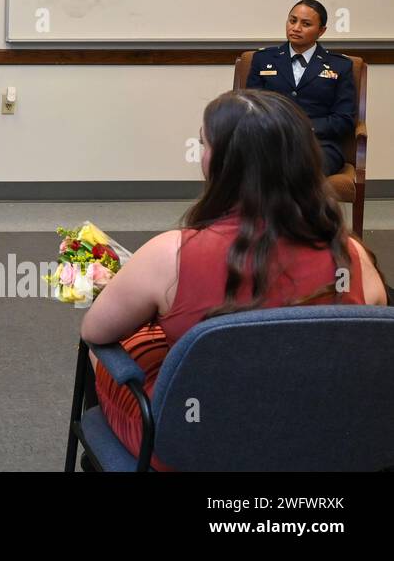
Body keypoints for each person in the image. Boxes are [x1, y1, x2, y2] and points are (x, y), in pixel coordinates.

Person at [81, 89, 386, 470]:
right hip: (322, 439)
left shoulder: (170, 254)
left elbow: (95, 330)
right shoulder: (352, 256)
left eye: (204, 143)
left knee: (105, 349)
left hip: (192, 445)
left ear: (222, 163)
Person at [246, 0, 355, 176]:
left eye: (306, 24)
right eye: (292, 20)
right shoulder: (263, 59)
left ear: (321, 31)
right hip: (270, 140)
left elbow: (344, 119)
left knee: (298, 169)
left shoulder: (340, 66)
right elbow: (250, 107)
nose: (296, 28)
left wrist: (303, 127)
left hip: (318, 143)